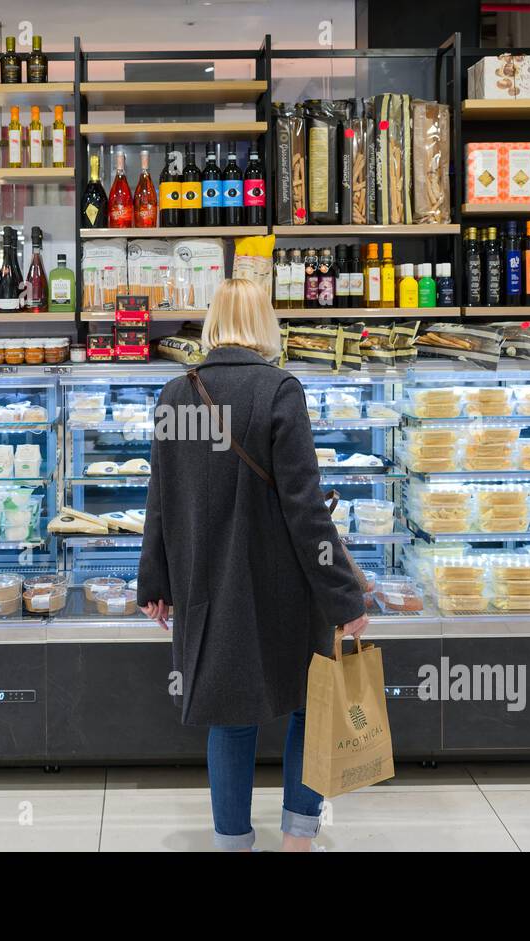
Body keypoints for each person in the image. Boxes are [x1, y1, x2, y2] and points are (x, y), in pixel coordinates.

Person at [136, 278, 369, 852]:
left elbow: (159, 497)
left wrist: (154, 582)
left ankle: (233, 842)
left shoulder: (175, 395)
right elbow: (306, 509)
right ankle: (297, 839)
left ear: (213, 323)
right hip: (282, 588)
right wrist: (343, 597)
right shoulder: (279, 391)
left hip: (205, 588)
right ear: (266, 324)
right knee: (306, 708)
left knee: (229, 716)